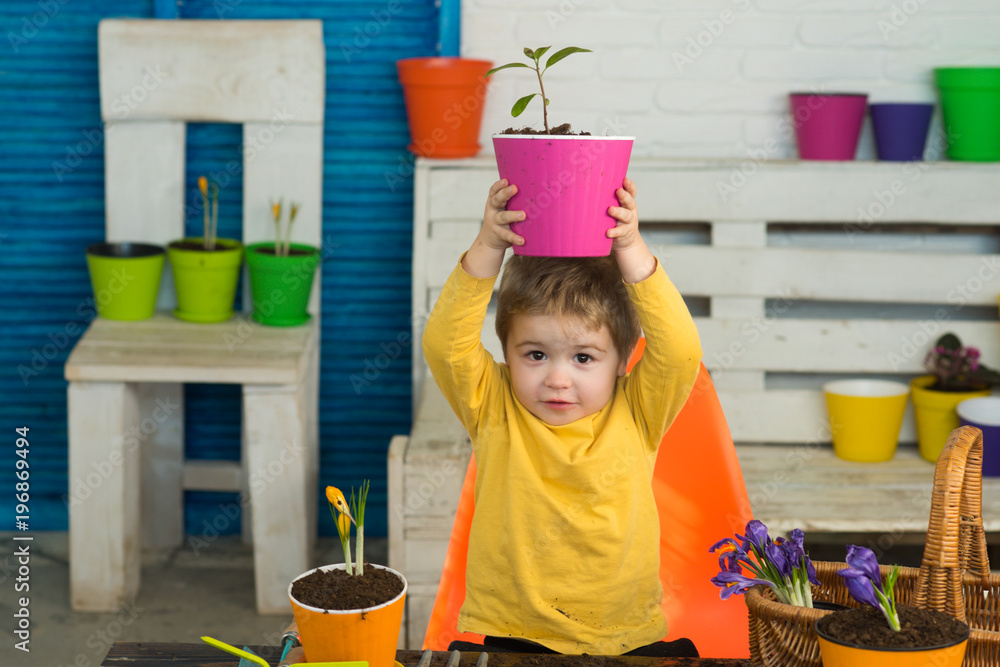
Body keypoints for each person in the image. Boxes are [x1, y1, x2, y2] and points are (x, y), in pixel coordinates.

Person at [421, 177, 703, 657]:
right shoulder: (494, 404)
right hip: (516, 631)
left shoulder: (637, 413)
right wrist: (489, 243)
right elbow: (445, 346)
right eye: (535, 355)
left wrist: (631, 249)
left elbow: (679, 352)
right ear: (506, 350)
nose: (556, 379)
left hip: (622, 633)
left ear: (622, 360)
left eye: (584, 358)